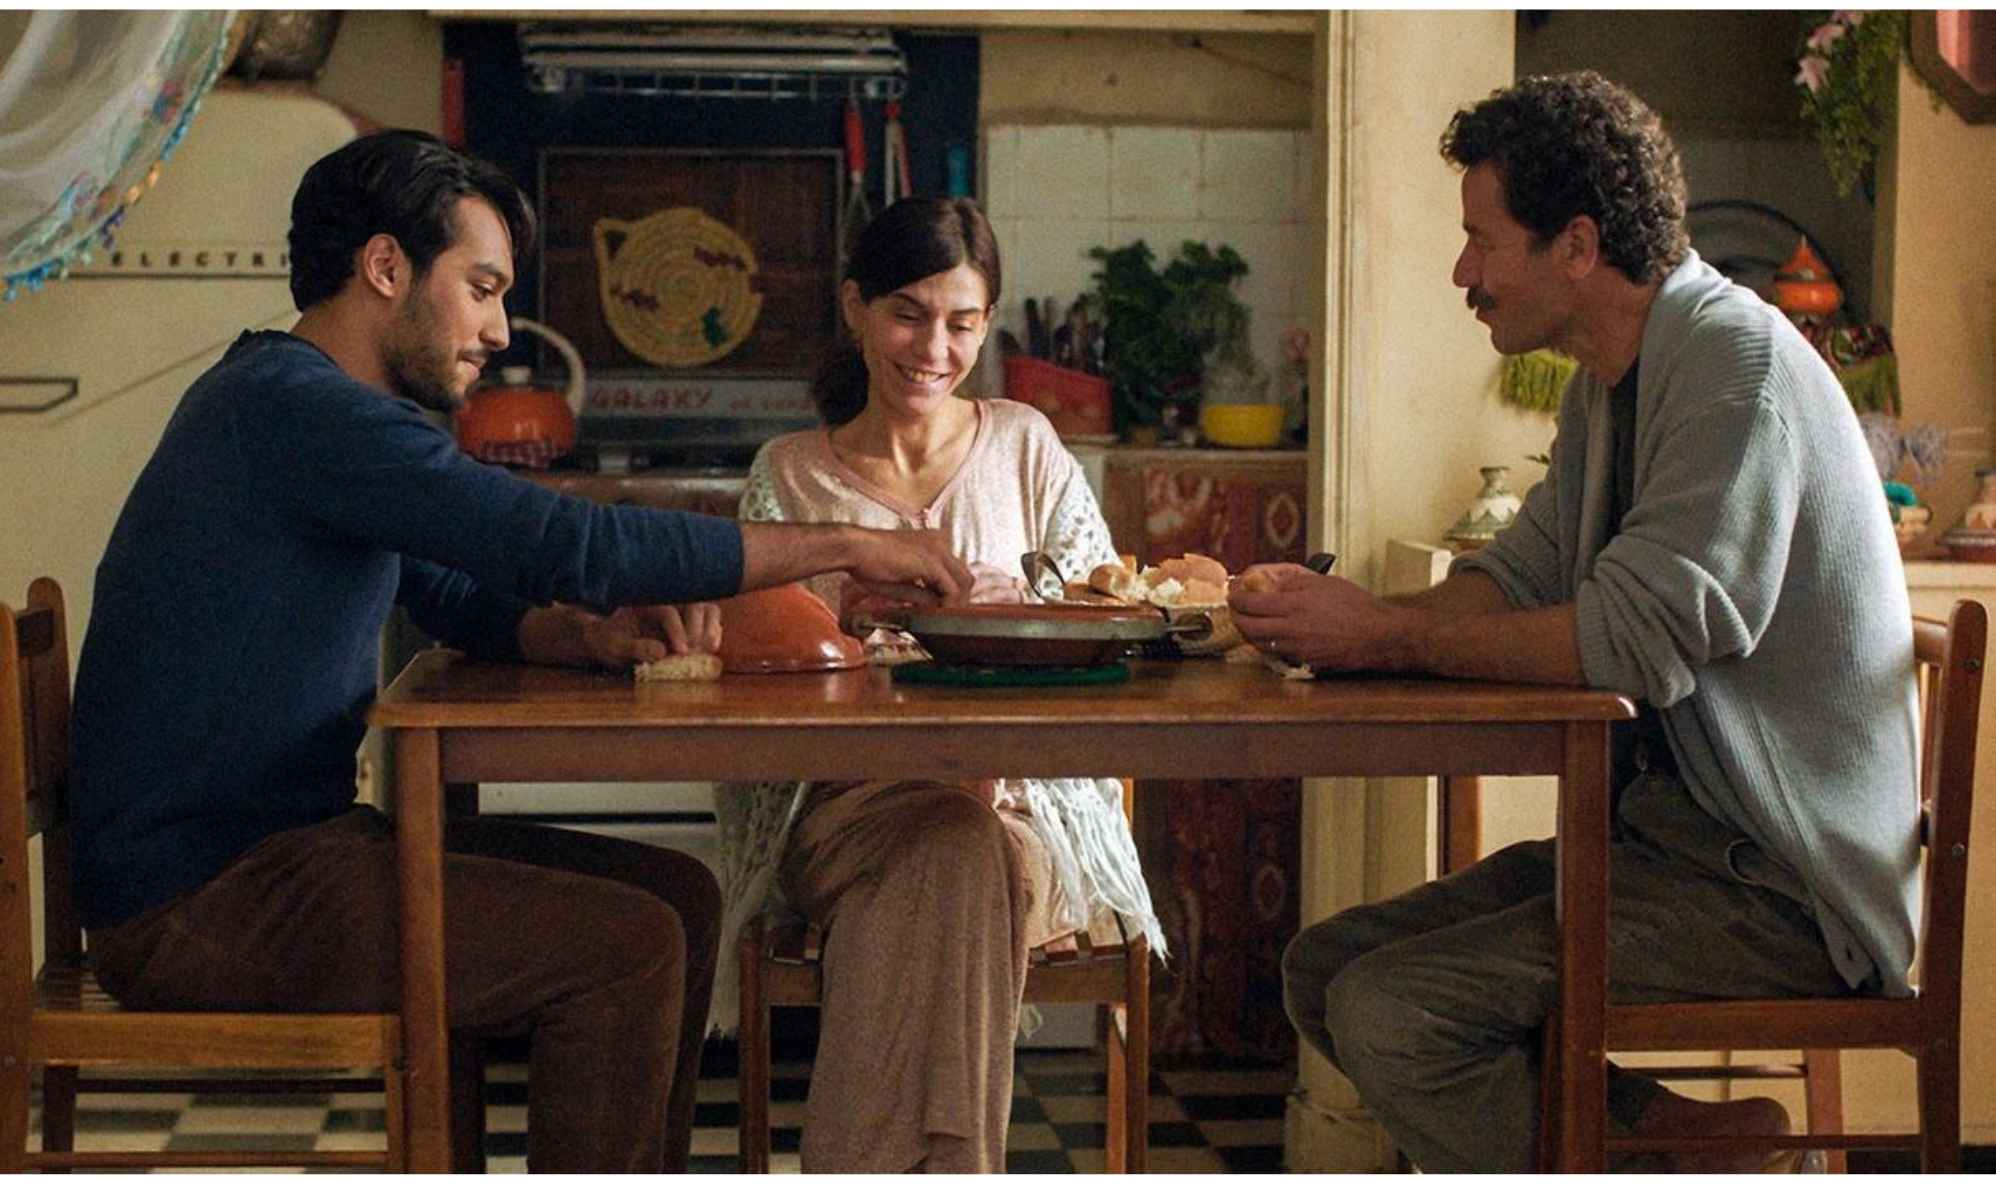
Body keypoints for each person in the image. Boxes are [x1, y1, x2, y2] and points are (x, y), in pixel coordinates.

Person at [66, 129, 974, 1174]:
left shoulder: (310, 409)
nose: (499, 330)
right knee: (626, 949)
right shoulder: (298, 409)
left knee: (683, 901)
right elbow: (569, 543)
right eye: (483, 288)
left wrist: (583, 635)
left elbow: (453, 592)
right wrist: (849, 541)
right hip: (204, 900)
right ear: (385, 266)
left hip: (277, 856)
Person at [1229, 72, 1917, 1173]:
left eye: (1481, 240)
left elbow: (1636, 641)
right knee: (1323, 974)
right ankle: (1680, 1146)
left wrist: (1384, 637)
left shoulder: (1733, 368)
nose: (1462, 273)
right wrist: (1349, 622)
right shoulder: (1610, 382)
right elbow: (1520, 576)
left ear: (1579, 246)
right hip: (1672, 852)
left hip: (1785, 892)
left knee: (1392, 1011)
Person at [717, 196, 1165, 1173]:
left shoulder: (1025, 446)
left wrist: (1018, 608)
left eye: (962, 323)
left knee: (960, 845)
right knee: (953, 852)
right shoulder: (788, 475)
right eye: (907, 315)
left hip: (1022, 812)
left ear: (988, 323)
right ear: (855, 308)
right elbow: (744, 666)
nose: (934, 349)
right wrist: (839, 620)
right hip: (845, 816)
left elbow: (1112, 612)